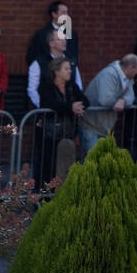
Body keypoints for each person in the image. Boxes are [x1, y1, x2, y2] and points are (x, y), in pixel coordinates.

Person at [37, 56, 88, 186]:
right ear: (56, 71)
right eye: (66, 69)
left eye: (69, 68)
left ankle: (63, 196)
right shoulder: (46, 86)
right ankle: (45, 198)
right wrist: (70, 107)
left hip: (68, 132)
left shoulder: (72, 86)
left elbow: (86, 101)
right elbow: (50, 103)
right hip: (50, 134)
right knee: (48, 167)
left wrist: (77, 106)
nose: (69, 71)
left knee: (66, 166)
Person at [82, 54, 137, 152]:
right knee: (91, 161)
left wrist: (123, 101)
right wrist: (117, 102)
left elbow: (131, 96)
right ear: (131, 67)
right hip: (91, 125)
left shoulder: (128, 78)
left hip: (104, 127)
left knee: (101, 162)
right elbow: (105, 99)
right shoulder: (109, 74)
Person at [28, 28, 81, 108]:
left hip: (70, 115)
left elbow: (78, 85)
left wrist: (74, 107)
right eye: (60, 39)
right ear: (51, 43)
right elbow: (32, 90)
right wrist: (43, 107)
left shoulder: (72, 62)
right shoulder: (38, 63)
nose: (64, 41)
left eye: (65, 38)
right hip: (46, 113)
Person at [26, 0, 78, 70]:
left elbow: (74, 57)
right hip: (46, 74)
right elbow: (32, 56)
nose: (67, 16)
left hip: (66, 75)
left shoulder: (72, 34)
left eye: (67, 13)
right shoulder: (41, 34)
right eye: (63, 12)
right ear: (54, 14)